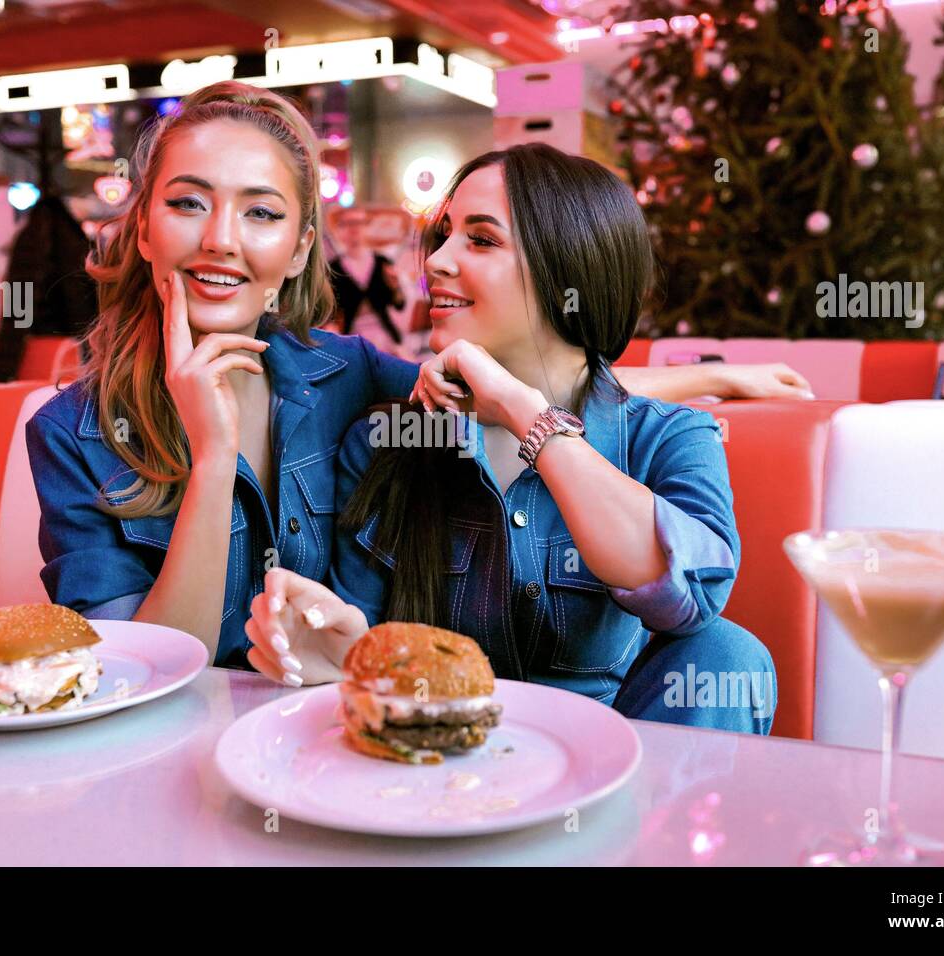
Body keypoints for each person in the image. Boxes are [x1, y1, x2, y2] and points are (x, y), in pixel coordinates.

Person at [25, 79, 804, 680]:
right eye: (189, 203)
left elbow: (529, 390)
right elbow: (147, 671)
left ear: (299, 250)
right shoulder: (70, 433)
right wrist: (210, 455)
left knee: (727, 654)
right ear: (145, 228)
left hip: (324, 729)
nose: (221, 240)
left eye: (261, 214)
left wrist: (718, 380)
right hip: (190, 743)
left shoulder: (346, 376)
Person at [244, 143, 775, 734]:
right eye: (445, 236)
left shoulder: (671, 437)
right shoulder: (390, 440)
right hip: (445, 766)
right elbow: (367, 639)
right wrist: (339, 652)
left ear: (571, 268)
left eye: (482, 240)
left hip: (609, 768)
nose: (437, 262)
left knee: (729, 655)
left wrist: (528, 413)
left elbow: (688, 597)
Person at [326, 206, 407, 351]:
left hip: (385, 336)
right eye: (349, 223)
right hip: (351, 337)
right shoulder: (333, 268)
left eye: (360, 222)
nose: (354, 228)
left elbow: (399, 304)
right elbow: (329, 312)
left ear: (367, 227)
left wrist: (395, 287)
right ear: (340, 229)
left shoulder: (382, 262)